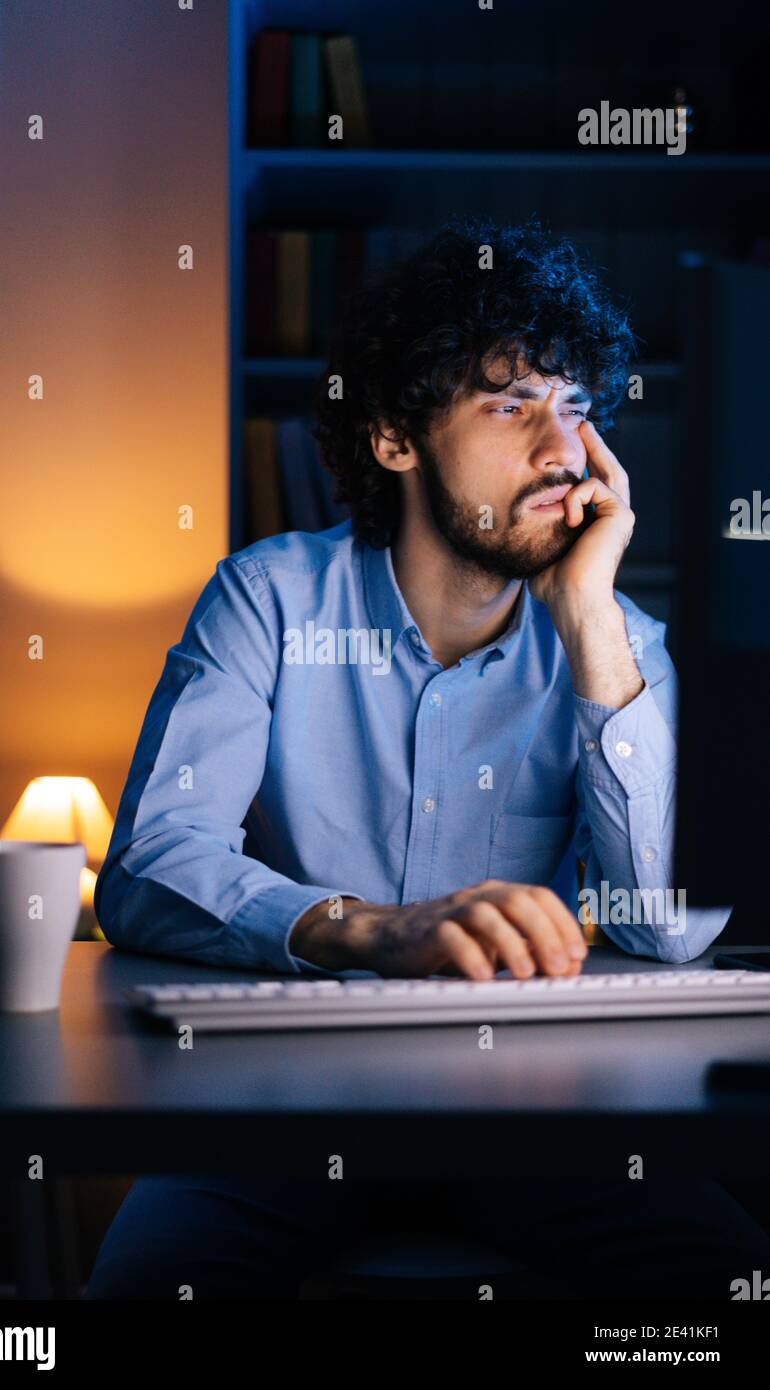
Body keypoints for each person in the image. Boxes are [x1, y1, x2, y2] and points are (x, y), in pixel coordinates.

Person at [86, 220, 767, 1299]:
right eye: (510, 405)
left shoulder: (620, 647)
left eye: (576, 406)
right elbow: (149, 864)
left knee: (729, 1281)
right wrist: (365, 926)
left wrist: (589, 625)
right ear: (396, 437)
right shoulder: (267, 599)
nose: (561, 449)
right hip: (280, 1105)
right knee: (141, 1290)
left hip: (539, 1111)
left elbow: (665, 926)